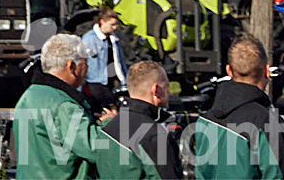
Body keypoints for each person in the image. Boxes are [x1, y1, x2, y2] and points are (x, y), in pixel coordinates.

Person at [11, 32, 149, 179]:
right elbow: (95, 148)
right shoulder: (64, 105)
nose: (87, 68)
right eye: (85, 63)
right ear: (72, 66)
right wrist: (110, 123)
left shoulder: (28, 96)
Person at [193, 37, 284, 180]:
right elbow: (276, 175)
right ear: (267, 71)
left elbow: (201, 174)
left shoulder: (204, 120)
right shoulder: (266, 121)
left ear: (228, 70)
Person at [104, 60, 181, 180]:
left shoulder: (108, 128)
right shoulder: (154, 136)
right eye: (166, 86)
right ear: (156, 90)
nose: (169, 91)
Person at [82, 9, 127, 100]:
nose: (115, 28)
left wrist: (124, 80)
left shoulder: (114, 39)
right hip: (95, 82)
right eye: (112, 24)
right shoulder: (90, 39)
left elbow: (120, 61)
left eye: (116, 24)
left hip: (110, 81)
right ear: (102, 22)